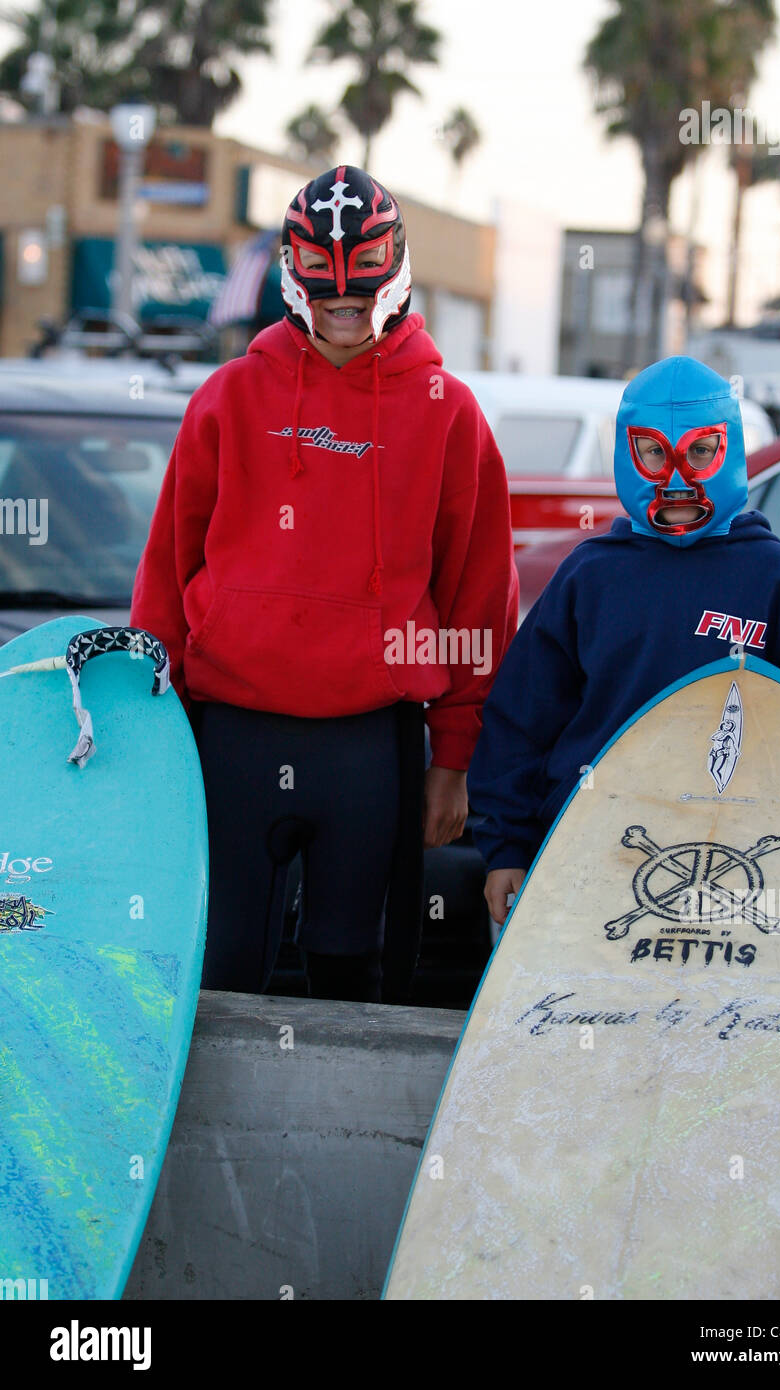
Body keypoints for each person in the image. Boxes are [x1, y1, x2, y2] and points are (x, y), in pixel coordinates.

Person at [130, 165, 518, 1001]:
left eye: (359, 291)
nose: (345, 307)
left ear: (396, 269)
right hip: (230, 732)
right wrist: (147, 719)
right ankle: (204, 1136)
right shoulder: (230, 395)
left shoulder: (448, 409)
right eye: (327, 292)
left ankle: (338, 1137)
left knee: (352, 968)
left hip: (367, 743)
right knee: (220, 965)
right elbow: (166, 572)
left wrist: (454, 755)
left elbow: (477, 599)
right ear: (293, 277)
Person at [468, 355, 780, 924]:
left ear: (728, 449)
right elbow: (522, 720)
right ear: (627, 450)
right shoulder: (590, 577)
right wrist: (507, 845)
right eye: (654, 453)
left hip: (739, 865)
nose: (677, 477)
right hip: (587, 850)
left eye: (701, 452)